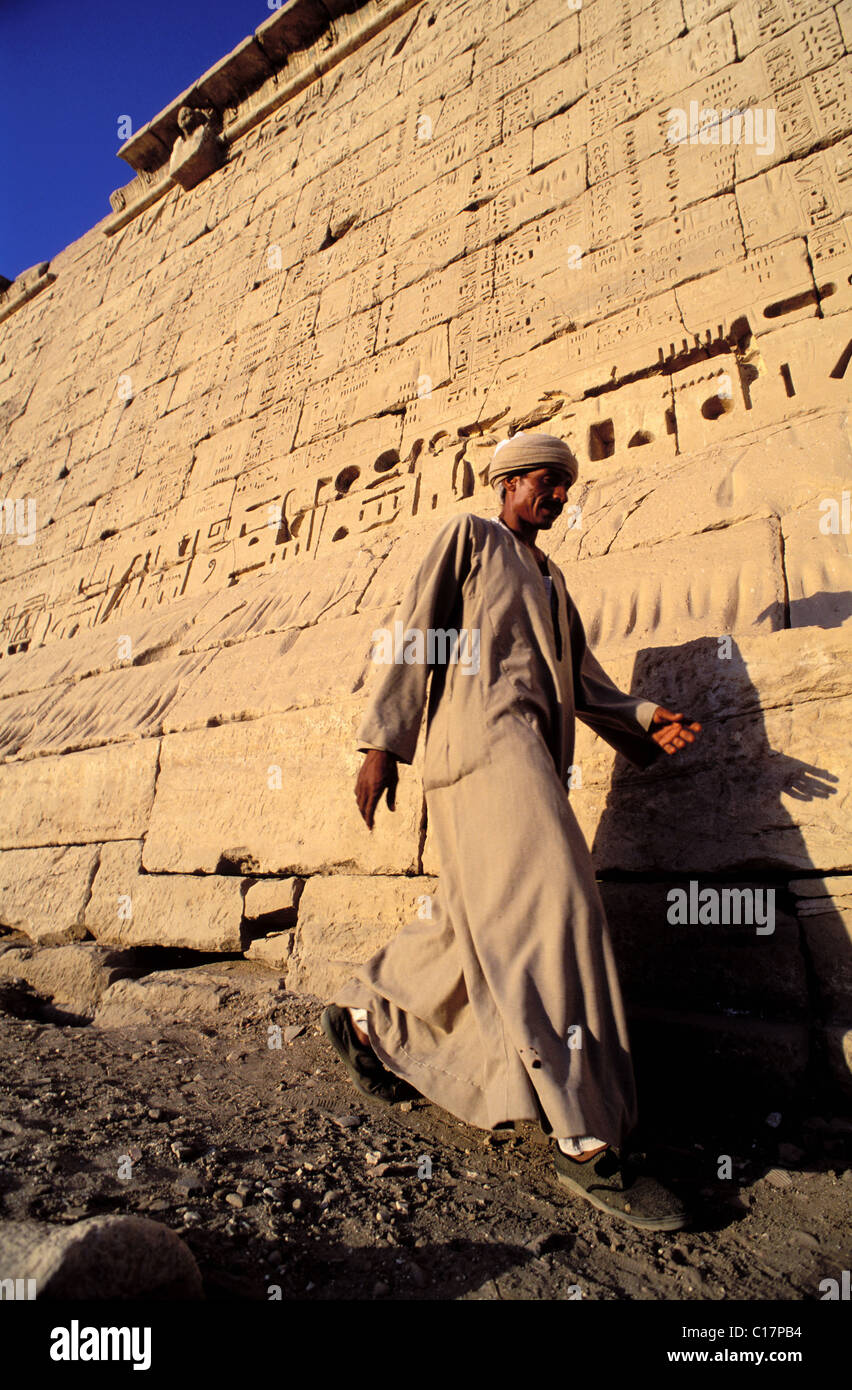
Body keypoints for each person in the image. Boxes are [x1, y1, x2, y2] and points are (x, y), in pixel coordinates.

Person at [321, 432, 701, 1231]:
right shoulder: (473, 539)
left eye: (564, 486)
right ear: (507, 484)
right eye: (545, 483)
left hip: (530, 756)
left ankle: (365, 1015)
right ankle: (587, 1139)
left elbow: (586, 682)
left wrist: (642, 717)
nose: (558, 497)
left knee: (479, 925)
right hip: (480, 750)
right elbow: (417, 630)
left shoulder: (554, 582)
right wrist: (382, 743)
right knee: (559, 909)